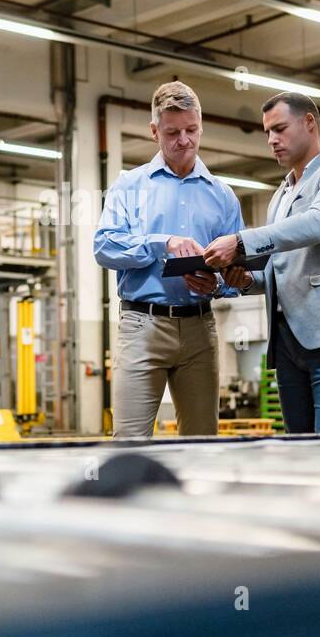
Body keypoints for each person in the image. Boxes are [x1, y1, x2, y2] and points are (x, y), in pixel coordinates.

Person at [204, 91, 320, 433]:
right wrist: (242, 281)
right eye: (267, 132)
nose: (272, 140)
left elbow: (316, 224)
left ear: (309, 123)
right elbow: (279, 271)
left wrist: (241, 241)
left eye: (280, 129)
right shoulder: (281, 194)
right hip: (288, 343)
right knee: (298, 449)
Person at [94, 81, 244, 438]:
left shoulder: (222, 196)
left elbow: (238, 264)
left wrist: (219, 284)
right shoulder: (128, 186)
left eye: (192, 130)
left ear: (201, 125)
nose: (184, 140)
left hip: (200, 329)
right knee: (130, 443)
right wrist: (163, 244)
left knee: (202, 442)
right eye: (173, 132)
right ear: (154, 131)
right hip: (142, 325)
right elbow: (105, 247)